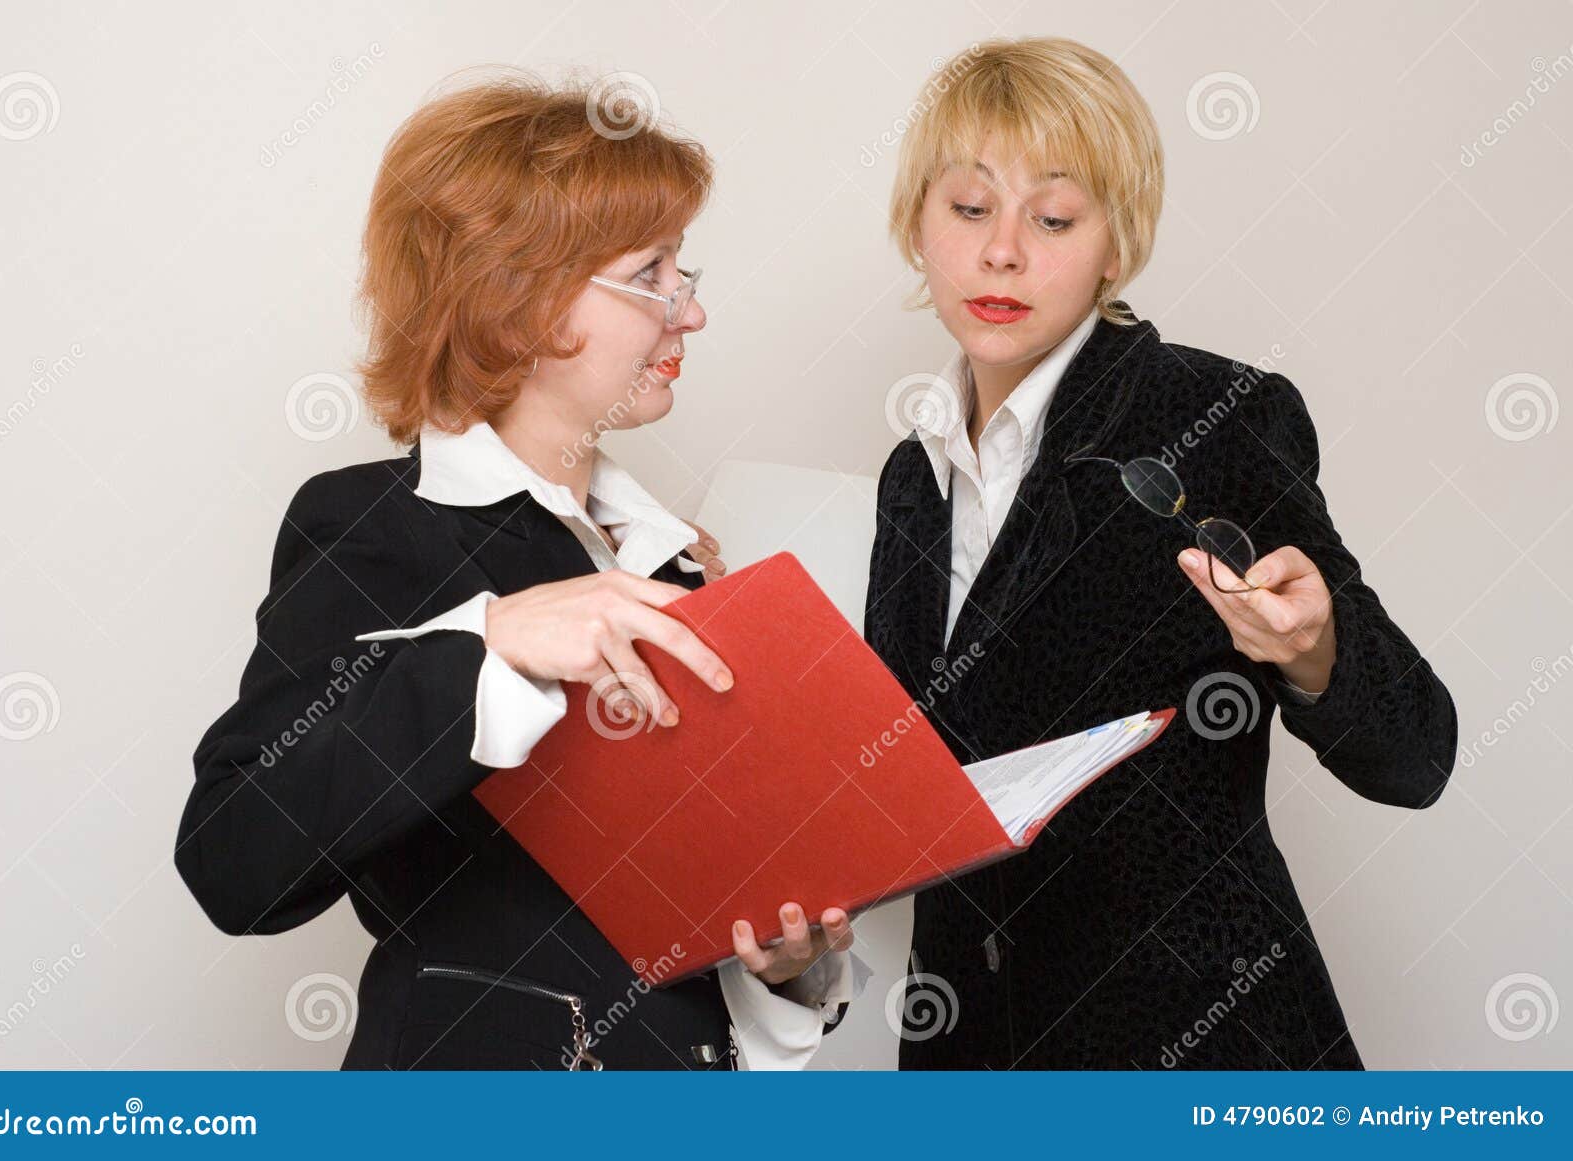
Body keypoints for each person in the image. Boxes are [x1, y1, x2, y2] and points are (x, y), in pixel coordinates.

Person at [175, 74, 851, 1070]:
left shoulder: (667, 557)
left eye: (683, 272)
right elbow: (234, 858)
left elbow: (674, 911)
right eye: (649, 275)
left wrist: (783, 962)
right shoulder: (375, 527)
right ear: (519, 301)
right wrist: (490, 644)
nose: (689, 313)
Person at [866, 37, 1456, 1068]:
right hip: (968, 1047)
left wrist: (1315, 649)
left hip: (1191, 1048)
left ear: (1115, 247)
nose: (1002, 251)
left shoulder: (1210, 419)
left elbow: (1417, 756)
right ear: (916, 225)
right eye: (967, 208)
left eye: (1052, 218)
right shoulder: (911, 480)